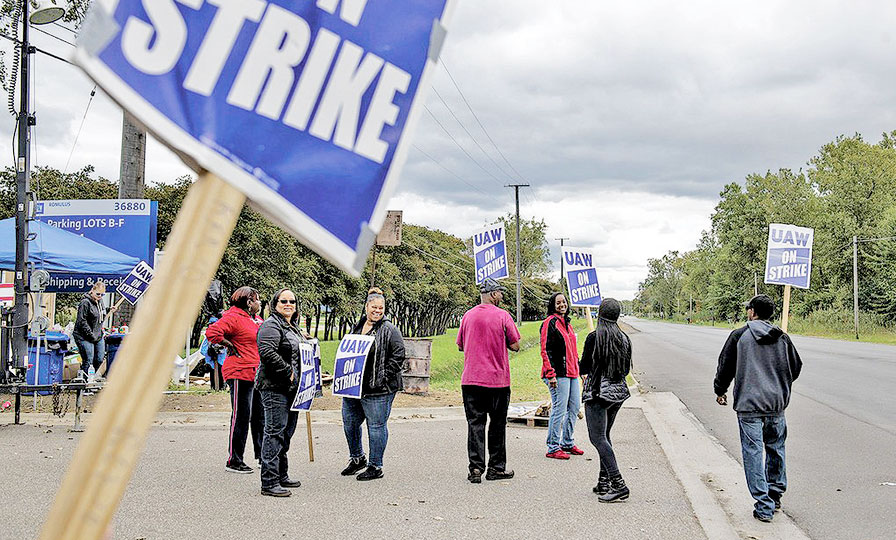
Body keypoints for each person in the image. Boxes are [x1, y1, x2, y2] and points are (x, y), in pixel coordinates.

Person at [713, 294, 802, 522]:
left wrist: (720, 390)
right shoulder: (782, 337)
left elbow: (725, 367)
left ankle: (763, 505)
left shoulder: (739, 335)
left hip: (749, 405)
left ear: (752, 312)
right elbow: (795, 367)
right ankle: (775, 495)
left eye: (748, 309)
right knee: (776, 448)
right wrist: (778, 385)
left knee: (753, 453)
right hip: (776, 405)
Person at [456, 277, 521, 484]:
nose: (501, 296)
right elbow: (516, 345)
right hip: (497, 381)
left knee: (475, 424)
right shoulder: (503, 315)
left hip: (471, 380)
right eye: (500, 292)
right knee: (497, 424)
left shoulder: (467, 315)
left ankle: (476, 469)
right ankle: (496, 468)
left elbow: (460, 345)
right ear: (493, 294)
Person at [339, 287, 406, 481]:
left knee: (376, 426)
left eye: (381, 307)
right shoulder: (358, 326)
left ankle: (376, 466)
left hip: (379, 389)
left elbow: (399, 355)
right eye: (374, 307)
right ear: (366, 306)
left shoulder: (389, 329)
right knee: (350, 423)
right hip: (354, 386)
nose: (377, 310)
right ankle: (357, 458)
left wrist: (383, 376)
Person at [205, 286, 264, 474]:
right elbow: (212, 333)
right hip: (240, 372)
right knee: (241, 416)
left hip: (256, 372)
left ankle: (262, 455)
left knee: (259, 416)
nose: (260, 303)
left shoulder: (255, 319)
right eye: (257, 299)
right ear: (249, 302)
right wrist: (229, 344)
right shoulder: (233, 316)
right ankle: (234, 460)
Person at [580, 298, 632, 502]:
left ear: (600, 314)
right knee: (605, 436)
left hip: (597, 393)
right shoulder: (624, 338)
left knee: (598, 438)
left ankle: (618, 484)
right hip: (617, 394)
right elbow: (626, 370)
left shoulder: (594, 338)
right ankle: (604, 482)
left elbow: (584, 368)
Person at [255, 288, 304, 497]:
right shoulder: (271, 325)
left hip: (292, 389)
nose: (288, 304)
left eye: (292, 301)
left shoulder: (292, 326)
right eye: (283, 301)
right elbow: (266, 352)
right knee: (274, 433)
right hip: (274, 387)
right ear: (275, 304)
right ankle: (269, 481)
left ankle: (282, 474)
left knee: (285, 433)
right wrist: (288, 372)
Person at [539, 292, 584, 459]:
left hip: (571, 373)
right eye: (558, 303)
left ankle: (567, 442)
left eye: (564, 302)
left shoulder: (568, 324)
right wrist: (550, 374)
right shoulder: (549, 323)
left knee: (574, 407)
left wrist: (580, 371)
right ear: (553, 305)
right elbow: (545, 350)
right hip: (557, 374)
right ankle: (553, 447)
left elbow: (573, 351)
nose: (562, 305)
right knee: (559, 409)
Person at [73, 281, 115, 379]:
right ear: (92, 290)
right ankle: (85, 381)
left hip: (97, 335)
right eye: (98, 294)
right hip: (84, 336)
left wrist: (109, 309)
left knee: (100, 358)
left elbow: (99, 313)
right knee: (88, 360)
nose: (100, 296)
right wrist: (91, 335)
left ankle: (93, 378)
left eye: (102, 294)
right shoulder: (85, 302)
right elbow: (81, 321)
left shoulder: (100, 301)